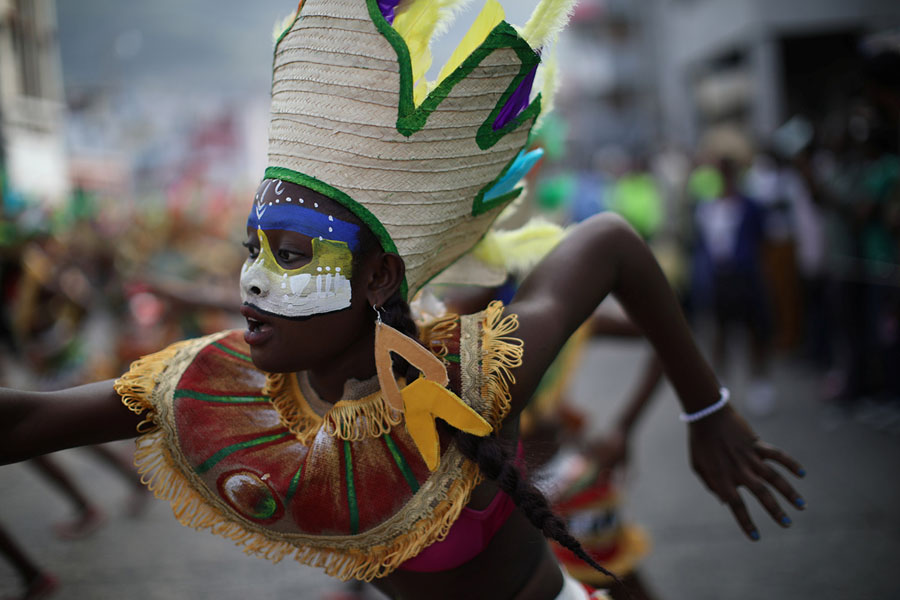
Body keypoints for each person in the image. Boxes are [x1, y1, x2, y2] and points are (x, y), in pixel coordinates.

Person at [0, 1, 805, 598]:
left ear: (379, 277)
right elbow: (29, 419)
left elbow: (612, 244)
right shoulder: (225, 385)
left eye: (288, 255)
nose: (249, 280)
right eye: (252, 251)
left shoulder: (473, 376)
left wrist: (708, 411)